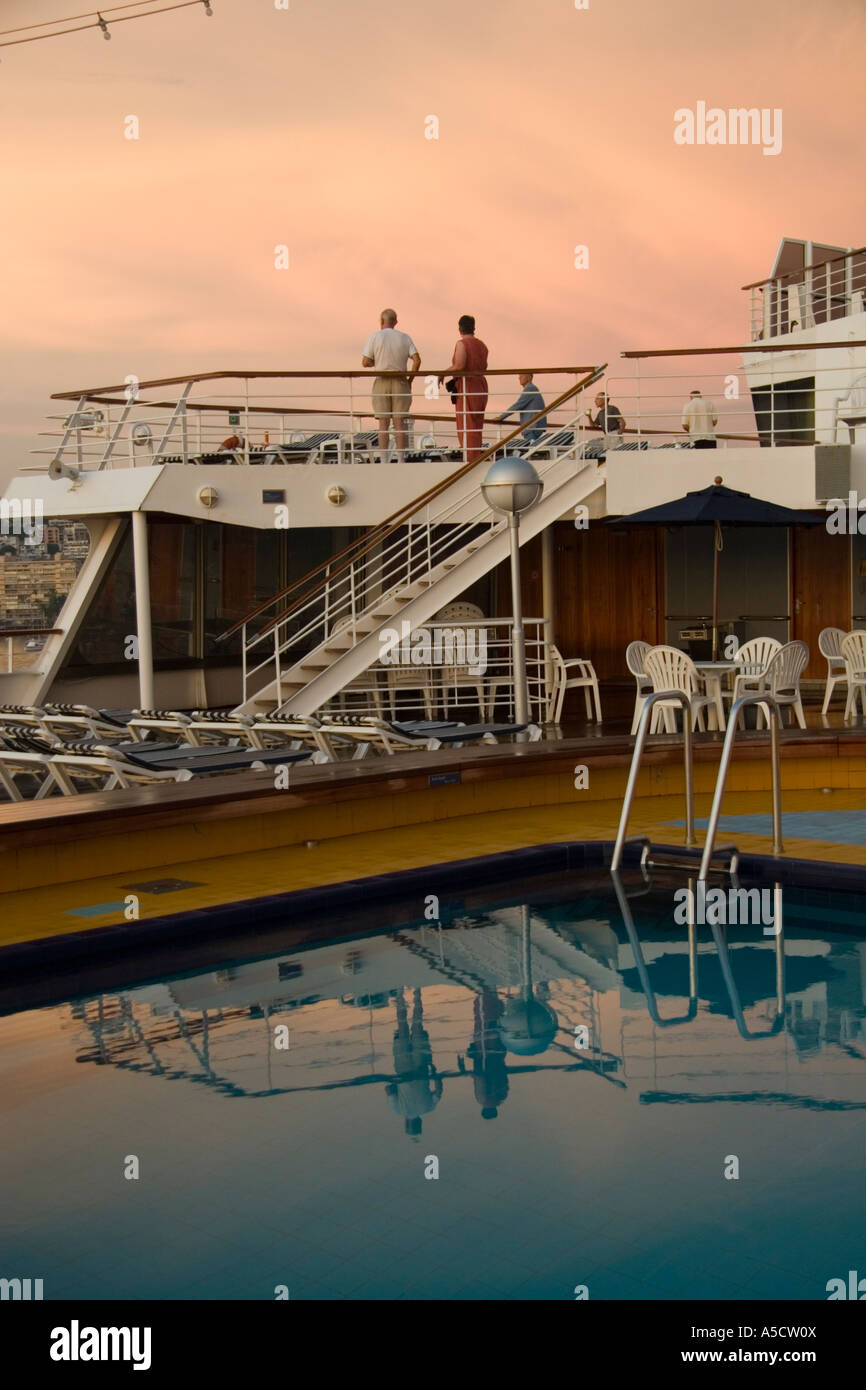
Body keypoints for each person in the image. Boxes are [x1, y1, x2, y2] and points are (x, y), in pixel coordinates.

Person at [361, 309, 421, 461]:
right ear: (395, 322)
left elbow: (365, 362)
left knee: (383, 423)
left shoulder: (375, 337)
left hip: (381, 380)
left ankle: (383, 459)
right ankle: (401, 458)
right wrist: (410, 380)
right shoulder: (404, 337)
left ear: (381, 321)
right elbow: (417, 360)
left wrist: (378, 362)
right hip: (400, 380)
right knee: (399, 423)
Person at [439, 314, 489, 462]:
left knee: (467, 424)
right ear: (473, 328)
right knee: (477, 424)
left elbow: (459, 365)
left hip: (468, 386)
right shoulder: (482, 345)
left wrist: (441, 374)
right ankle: (475, 455)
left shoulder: (461, 344)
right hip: (481, 385)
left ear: (460, 328)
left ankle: (471, 459)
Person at [497, 373, 548, 443]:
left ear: (529, 377)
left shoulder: (530, 388)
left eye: (522, 375)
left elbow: (518, 405)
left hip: (532, 428)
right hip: (534, 427)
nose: (519, 377)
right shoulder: (532, 388)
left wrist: (501, 417)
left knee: (530, 450)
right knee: (532, 449)